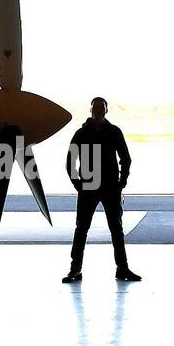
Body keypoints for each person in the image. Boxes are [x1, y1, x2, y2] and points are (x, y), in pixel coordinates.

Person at [62, 97, 142, 283]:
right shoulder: (83, 134)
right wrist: (78, 185)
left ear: (106, 110)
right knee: (84, 229)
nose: (98, 111)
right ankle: (77, 269)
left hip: (106, 188)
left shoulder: (109, 132)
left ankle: (120, 268)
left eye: (101, 108)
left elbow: (126, 158)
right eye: (96, 108)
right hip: (93, 188)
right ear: (91, 110)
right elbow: (69, 162)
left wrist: (122, 181)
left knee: (114, 229)